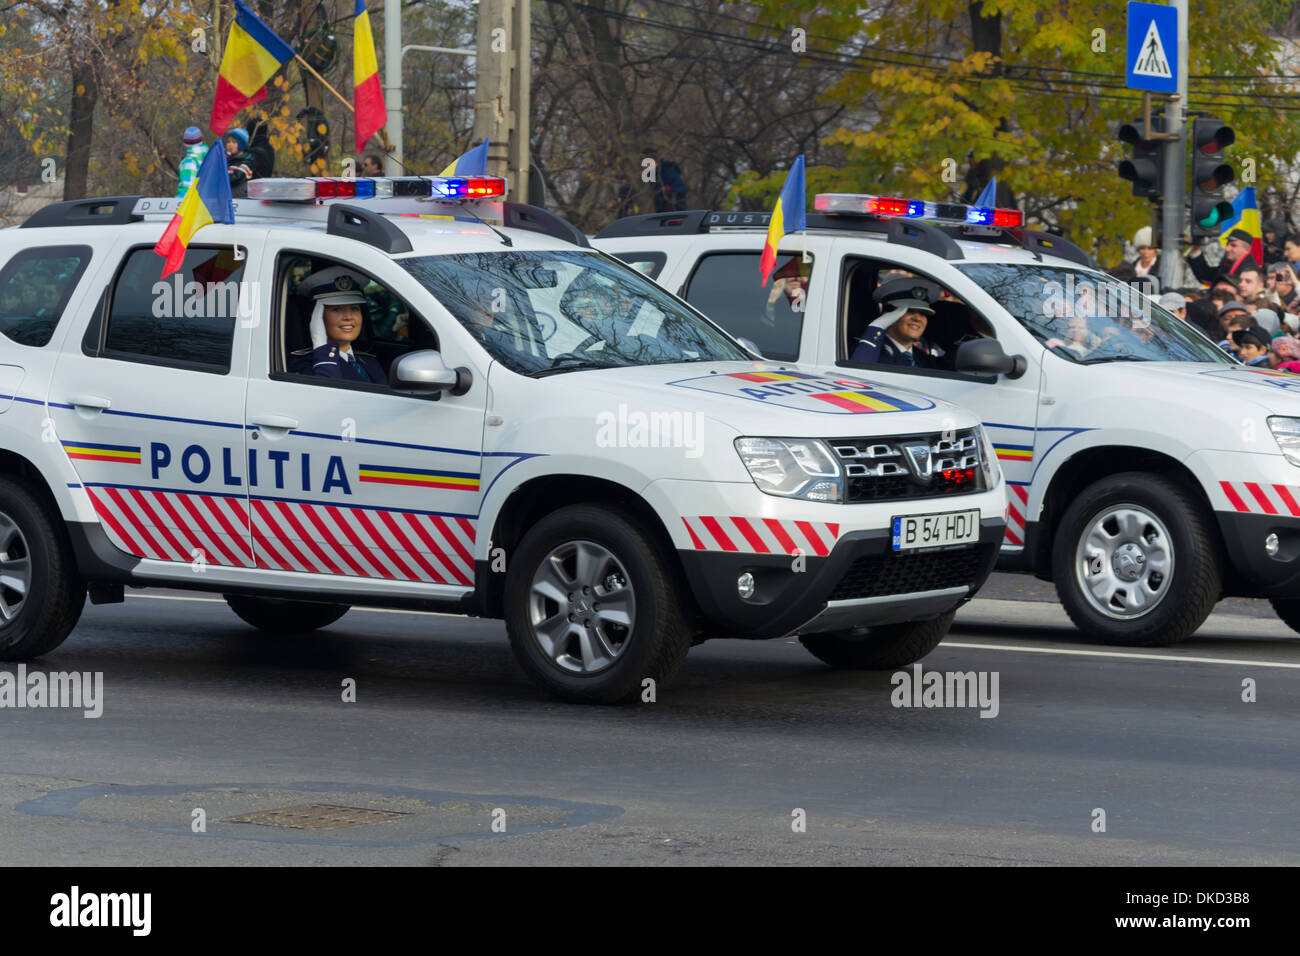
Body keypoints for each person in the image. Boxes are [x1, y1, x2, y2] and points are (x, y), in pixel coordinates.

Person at [289, 266, 387, 384]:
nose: (348, 316)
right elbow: (326, 397)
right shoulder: (304, 365)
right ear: (316, 317)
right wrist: (321, 345)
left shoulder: (370, 361)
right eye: (337, 309)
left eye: (354, 308)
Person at [848, 277, 945, 367]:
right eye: (909, 311)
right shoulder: (869, 349)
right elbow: (860, 375)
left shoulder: (924, 358)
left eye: (923, 313)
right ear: (887, 316)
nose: (918, 319)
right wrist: (877, 327)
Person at [1187, 229, 1255, 285]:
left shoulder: (1250, 270)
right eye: (1227, 244)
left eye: (1233, 245)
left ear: (1247, 249)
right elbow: (1206, 275)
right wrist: (1196, 248)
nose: (1227, 249)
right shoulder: (1227, 264)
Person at [175, 127, 208, 198]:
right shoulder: (210, 157)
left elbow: (187, 189)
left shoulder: (189, 162)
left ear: (185, 143)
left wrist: (177, 204)